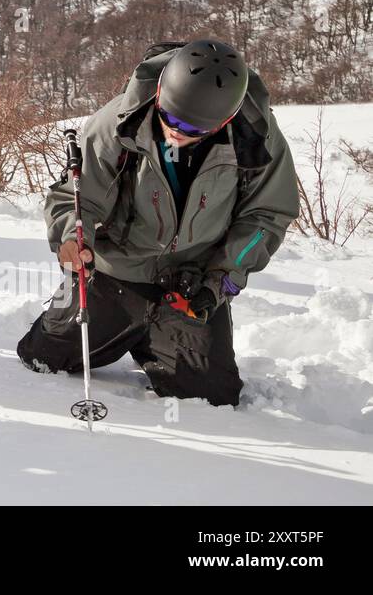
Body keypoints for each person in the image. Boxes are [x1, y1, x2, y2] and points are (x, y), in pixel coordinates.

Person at [16, 39, 300, 407]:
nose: (178, 132)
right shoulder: (116, 124)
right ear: (161, 91)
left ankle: (154, 335)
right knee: (45, 359)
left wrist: (215, 284)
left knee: (212, 397)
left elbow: (267, 216)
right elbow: (78, 197)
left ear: (226, 119)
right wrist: (72, 237)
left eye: (194, 128)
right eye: (171, 117)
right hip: (114, 272)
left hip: (189, 283)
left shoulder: (258, 140)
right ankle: (106, 324)